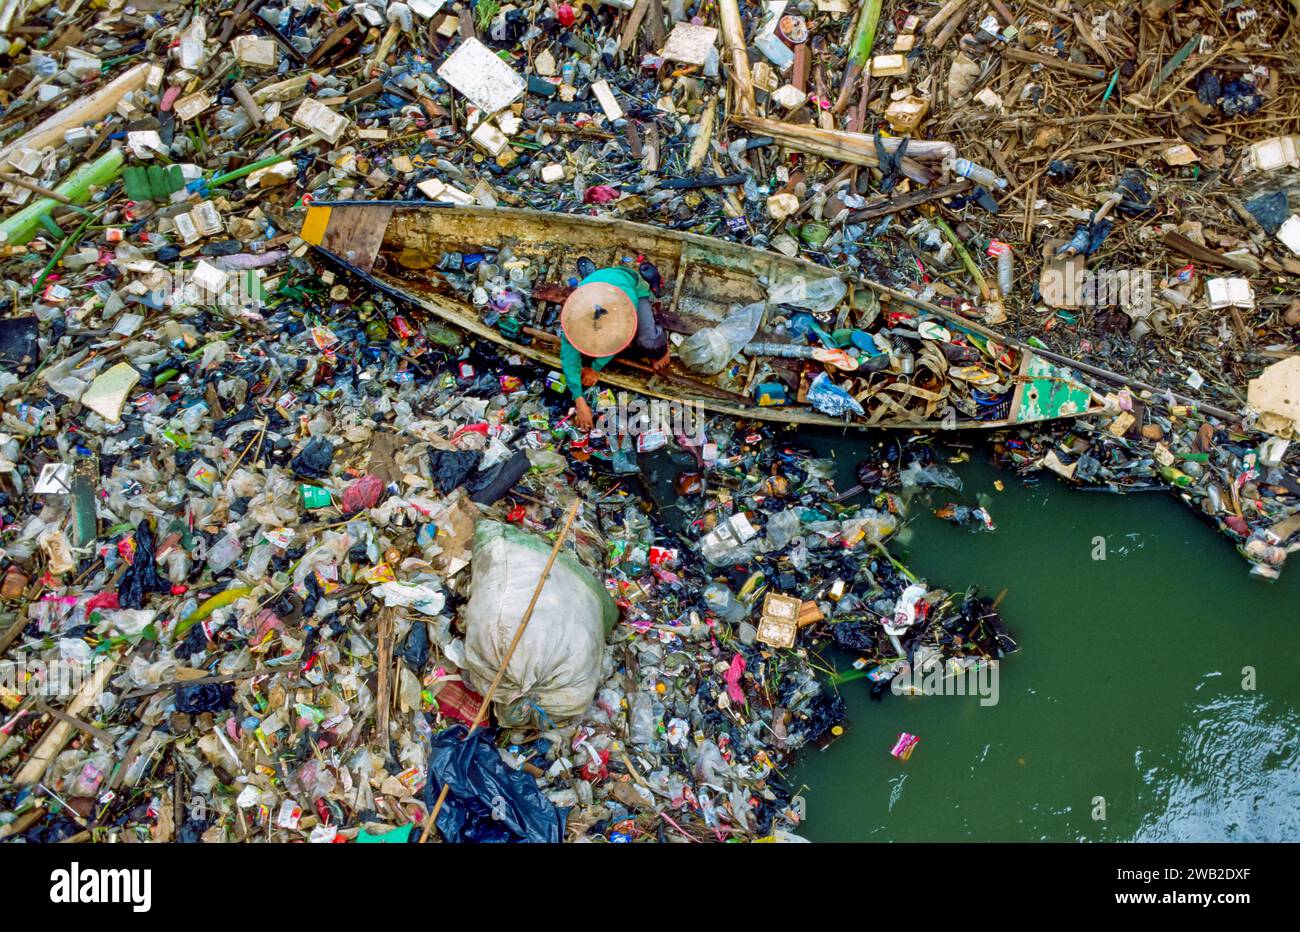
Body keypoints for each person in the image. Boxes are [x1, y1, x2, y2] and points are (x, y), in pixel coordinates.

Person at [560, 261, 670, 430]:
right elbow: (569, 359)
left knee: (648, 342)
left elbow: (616, 342)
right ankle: (594, 275)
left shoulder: (624, 308)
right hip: (595, 287)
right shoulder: (573, 320)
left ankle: (663, 344)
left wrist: (596, 368)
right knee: (586, 350)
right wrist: (579, 399)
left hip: (630, 285)